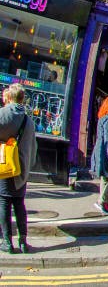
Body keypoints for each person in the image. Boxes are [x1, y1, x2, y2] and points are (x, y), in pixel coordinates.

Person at [0, 84, 36, 253]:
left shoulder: (3, 114)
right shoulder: (29, 120)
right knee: (19, 204)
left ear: (9, 97)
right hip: (22, 169)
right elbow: (33, 147)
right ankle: (23, 241)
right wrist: (29, 166)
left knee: (4, 203)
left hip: (5, 166)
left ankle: (7, 242)